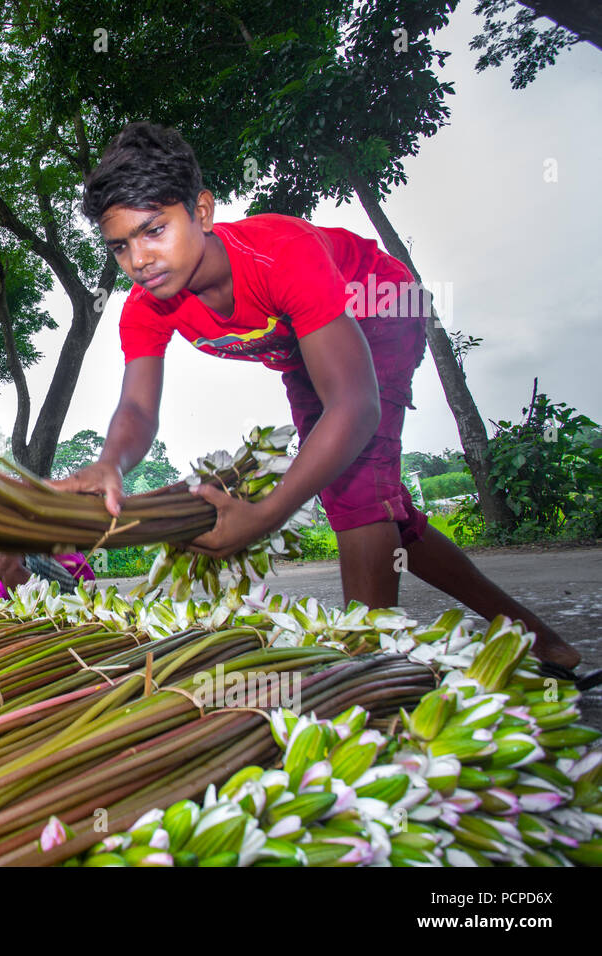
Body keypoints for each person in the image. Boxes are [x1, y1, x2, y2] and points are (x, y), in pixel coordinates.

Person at [51, 121, 591, 681]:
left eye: (154, 230)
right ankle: (536, 637)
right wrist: (111, 462)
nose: (139, 258)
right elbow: (137, 408)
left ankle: (366, 677)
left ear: (203, 212)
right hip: (305, 351)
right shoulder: (147, 306)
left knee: (355, 488)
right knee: (384, 508)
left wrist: (263, 515)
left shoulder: (282, 255)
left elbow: (355, 405)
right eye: (121, 245)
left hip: (379, 308)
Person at [0, 545, 95, 597]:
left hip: (69, 581)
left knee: (1, 552)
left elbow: (8, 563)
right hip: (11, 574)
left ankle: (40, 616)